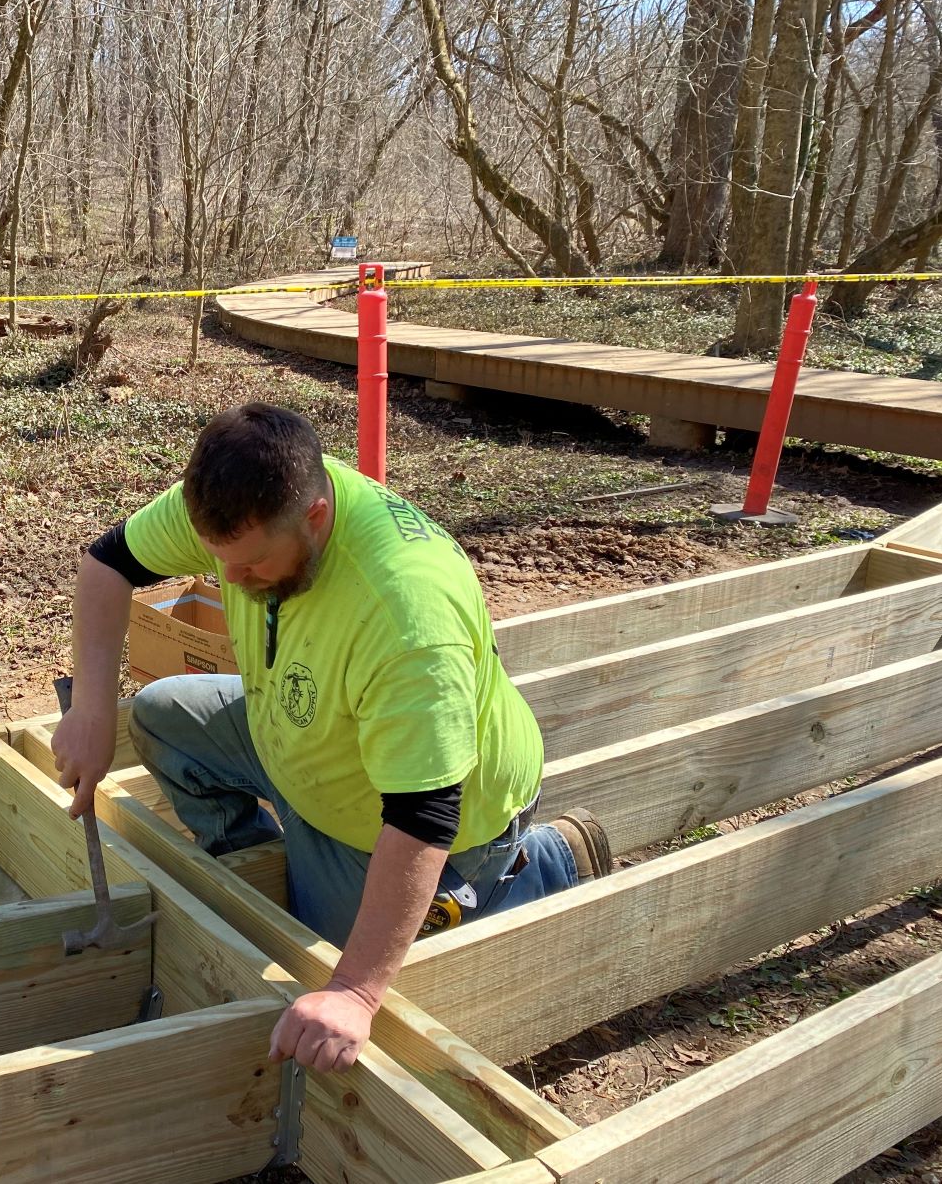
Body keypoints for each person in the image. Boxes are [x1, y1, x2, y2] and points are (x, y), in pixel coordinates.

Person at [51, 402, 611, 1073]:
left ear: (314, 518)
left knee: (326, 971)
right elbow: (108, 562)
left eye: (252, 565)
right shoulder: (247, 499)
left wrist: (354, 991)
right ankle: (269, 866)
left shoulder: (404, 616)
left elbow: (426, 814)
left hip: (427, 813)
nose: (230, 580)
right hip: (308, 737)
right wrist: (91, 711)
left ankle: (539, 866)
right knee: (162, 714)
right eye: (219, 559)